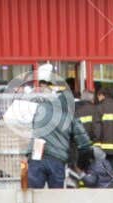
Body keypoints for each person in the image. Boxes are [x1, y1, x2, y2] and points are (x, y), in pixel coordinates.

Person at [27, 62, 91, 190]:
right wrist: (82, 160)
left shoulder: (37, 107)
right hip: (57, 159)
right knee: (57, 197)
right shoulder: (68, 111)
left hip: (36, 157)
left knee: (34, 196)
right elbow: (83, 142)